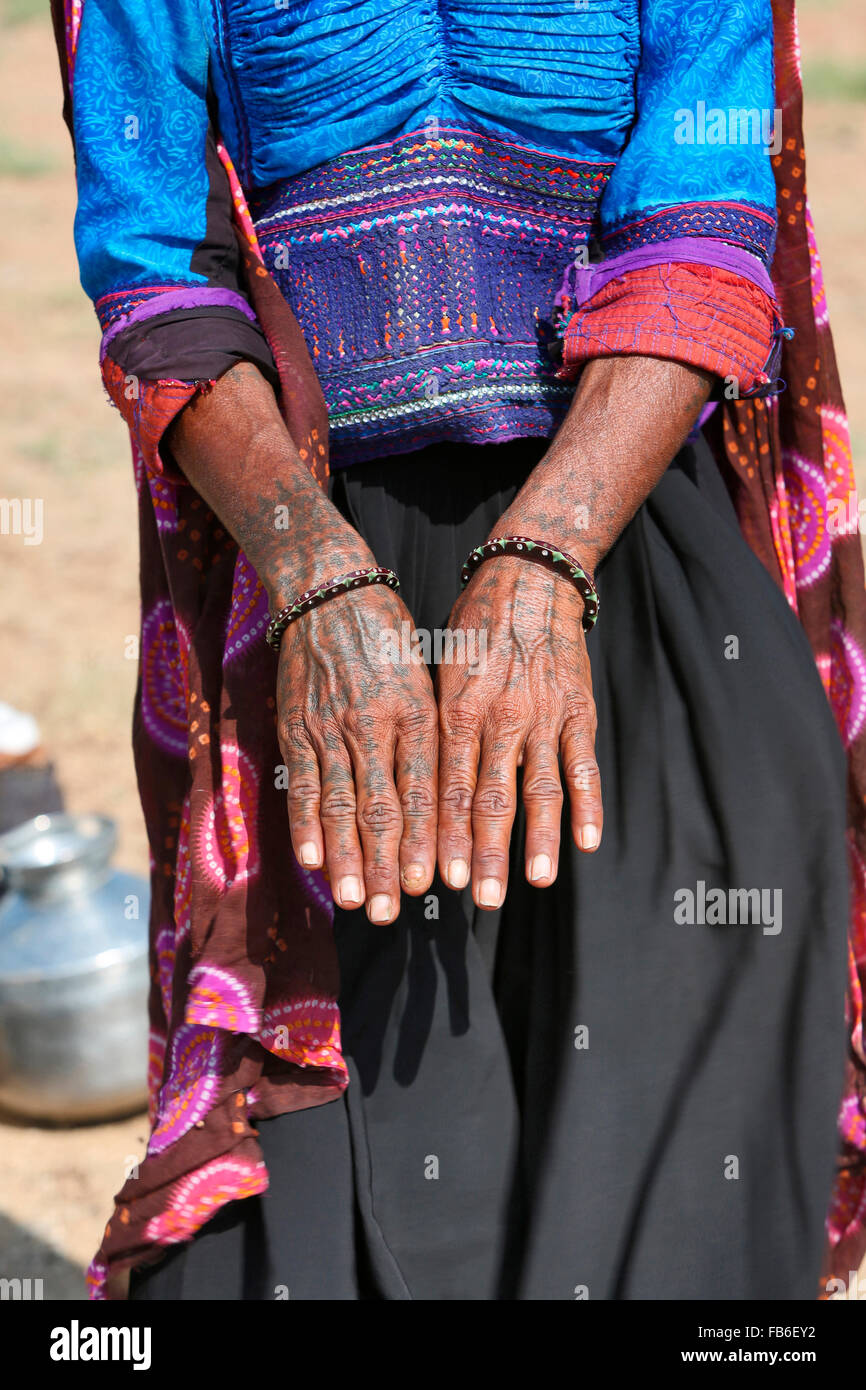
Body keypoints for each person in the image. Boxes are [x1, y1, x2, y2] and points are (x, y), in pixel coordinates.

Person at [52, 0, 866, 1299]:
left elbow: (706, 224)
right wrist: (317, 575)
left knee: (668, 1207)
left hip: (631, 549)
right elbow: (153, 266)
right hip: (317, 581)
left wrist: (541, 560)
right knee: (304, 1215)